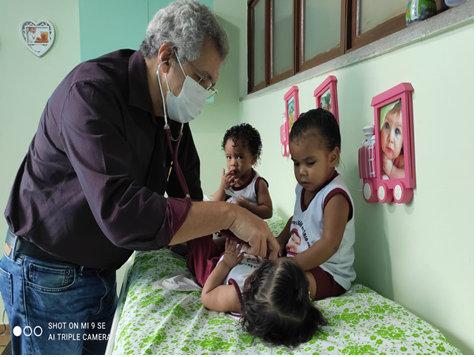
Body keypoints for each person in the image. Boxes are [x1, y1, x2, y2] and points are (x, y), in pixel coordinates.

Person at [0, 1, 278, 355]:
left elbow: (186, 199)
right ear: (166, 58)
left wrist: (220, 244)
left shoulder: (171, 116)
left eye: (212, 84)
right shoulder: (90, 93)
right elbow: (123, 212)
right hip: (48, 273)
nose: (205, 93)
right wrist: (233, 215)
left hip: (97, 270)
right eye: (202, 78)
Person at [186, 236, 327, 347]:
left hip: (216, 267)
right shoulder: (287, 297)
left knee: (199, 244)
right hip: (241, 257)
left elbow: (207, 294)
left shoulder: (237, 295)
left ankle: (186, 245)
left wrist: (226, 264)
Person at [276, 108, 356, 301]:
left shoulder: (335, 196)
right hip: (300, 262)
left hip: (328, 273)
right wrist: (279, 241)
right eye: (296, 163)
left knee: (283, 287)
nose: (301, 171)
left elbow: (329, 244)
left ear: (332, 158)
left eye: (309, 163)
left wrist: (290, 264)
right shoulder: (302, 187)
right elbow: (296, 219)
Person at [212, 123, 273, 220]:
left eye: (239, 157)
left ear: (253, 159)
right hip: (230, 224)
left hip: (250, 226)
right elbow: (215, 205)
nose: (233, 163)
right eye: (229, 157)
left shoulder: (257, 183)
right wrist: (223, 187)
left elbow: (268, 212)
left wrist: (248, 207)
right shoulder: (228, 181)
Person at [380, 101, 405, 179]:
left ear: (403, 143)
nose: (390, 138)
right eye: (387, 126)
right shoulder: (377, 155)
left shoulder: (401, 160)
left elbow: (405, 175)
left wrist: (391, 171)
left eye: (397, 131)